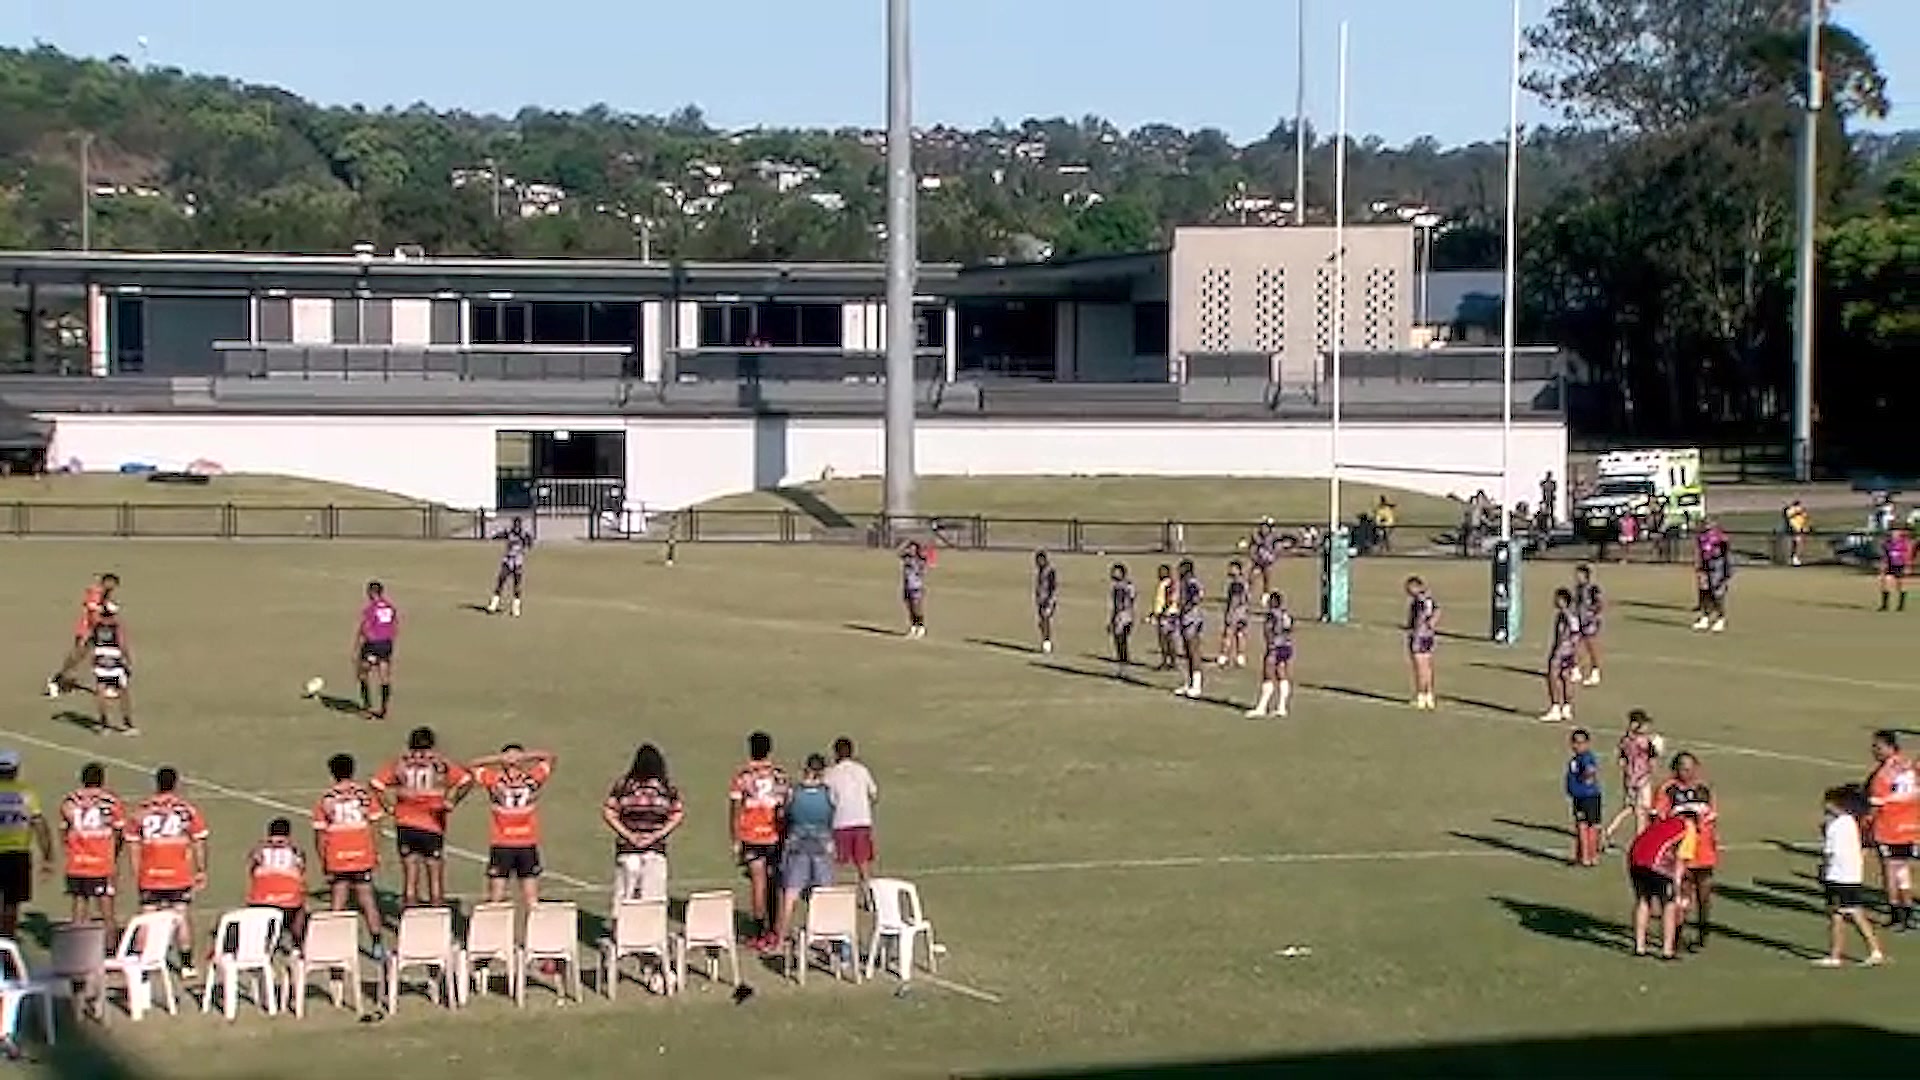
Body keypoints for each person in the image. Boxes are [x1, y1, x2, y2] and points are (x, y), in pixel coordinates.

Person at [370, 727, 471, 909]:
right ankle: (437, 912)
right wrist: (452, 801)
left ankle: (410, 914)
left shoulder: (401, 763)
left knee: (410, 875)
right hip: (432, 824)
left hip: (405, 823)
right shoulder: (439, 763)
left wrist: (388, 806)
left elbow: (376, 783)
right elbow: (466, 780)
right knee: (434, 874)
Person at [126, 767, 208, 978]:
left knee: (147, 916)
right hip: (178, 875)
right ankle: (187, 964)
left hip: (150, 874)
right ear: (176, 784)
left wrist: (137, 873)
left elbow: (133, 846)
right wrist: (201, 870)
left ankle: (142, 963)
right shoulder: (186, 810)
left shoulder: (141, 810)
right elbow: (198, 841)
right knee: (181, 916)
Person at [312, 753, 384, 954]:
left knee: (338, 900)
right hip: (361, 853)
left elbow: (319, 834)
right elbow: (376, 824)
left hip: (337, 854)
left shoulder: (326, 798)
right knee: (367, 899)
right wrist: (375, 851)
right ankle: (377, 943)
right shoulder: (364, 795)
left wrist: (323, 859)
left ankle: (334, 943)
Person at [469, 744, 555, 910]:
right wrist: (499, 758)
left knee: (532, 900)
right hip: (502, 842)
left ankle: (534, 925)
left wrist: (524, 756)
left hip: (527, 842)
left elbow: (550, 758)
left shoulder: (532, 778)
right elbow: (471, 765)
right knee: (496, 898)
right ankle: (495, 926)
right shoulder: (494, 779)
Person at [729, 731, 790, 952]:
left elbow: (735, 809)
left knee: (758, 883)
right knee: (775, 883)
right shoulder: (779, 776)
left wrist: (735, 838)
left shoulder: (743, 776)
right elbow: (785, 806)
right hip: (774, 834)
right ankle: (775, 929)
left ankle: (758, 932)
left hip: (751, 836)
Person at [604, 743, 684, 904]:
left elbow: (610, 811)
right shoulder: (666, 788)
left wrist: (628, 835)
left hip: (628, 847)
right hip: (654, 848)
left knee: (625, 894)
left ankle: (621, 919)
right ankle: (651, 920)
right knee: (653, 897)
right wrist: (656, 836)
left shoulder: (624, 786)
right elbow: (677, 814)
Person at [773, 754, 837, 953]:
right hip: (821, 845)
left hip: (797, 844)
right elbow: (832, 815)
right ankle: (823, 938)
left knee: (790, 895)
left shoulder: (794, 792)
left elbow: (783, 814)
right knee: (823, 894)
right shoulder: (828, 792)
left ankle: (780, 939)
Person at [1655, 753, 1719, 950]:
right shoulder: (1668, 789)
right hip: (1680, 853)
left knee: (1704, 895)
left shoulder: (1704, 789)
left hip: (1704, 851)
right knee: (1681, 896)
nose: (1688, 772)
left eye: (1691, 768)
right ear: (1675, 769)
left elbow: (1712, 815)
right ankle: (1677, 935)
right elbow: (1660, 818)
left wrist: (1707, 830)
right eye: (1683, 768)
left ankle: (1703, 933)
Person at [1818, 784, 1886, 967]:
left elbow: (1829, 853)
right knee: (1847, 913)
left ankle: (1840, 955)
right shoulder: (1850, 821)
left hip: (1837, 876)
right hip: (1852, 874)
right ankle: (1861, 952)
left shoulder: (1834, 825)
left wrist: (1823, 870)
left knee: (1842, 914)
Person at [59, 763, 124, 937]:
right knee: (106, 909)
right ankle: (110, 947)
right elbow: (119, 832)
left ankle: (76, 945)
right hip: (102, 863)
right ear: (102, 780)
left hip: (77, 862)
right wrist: (114, 855)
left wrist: (69, 850)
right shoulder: (110, 802)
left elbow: (64, 831)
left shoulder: (70, 801)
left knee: (79, 904)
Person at [1627, 807, 1699, 960]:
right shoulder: (1688, 828)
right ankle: (1667, 950)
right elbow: (1681, 860)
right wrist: (1677, 888)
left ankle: (1639, 946)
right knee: (1669, 904)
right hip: (1656, 863)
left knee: (1643, 900)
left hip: (1635, 859)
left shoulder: (1664, 822)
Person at [1865, 729, 1919, 930]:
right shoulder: (1909, 765)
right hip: (1911, 826)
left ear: (1889, 747)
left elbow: (1875, 805)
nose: (1874, 751)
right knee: (1903, 870)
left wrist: (1866, 827)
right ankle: (1909, 911)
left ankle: (1896, 913)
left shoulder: (1883, 774)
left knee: (1889, 870)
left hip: (1889, 827)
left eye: (1877, 747)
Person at [0, 752, 52, 940]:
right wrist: (47, 854)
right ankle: (7, 940)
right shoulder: (26, 794)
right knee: (12, 902)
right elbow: (39, 824)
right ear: (16, 770)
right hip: (17, 853)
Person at [48, 573, 116, 699]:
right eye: (110, 584)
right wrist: (105, 610)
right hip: (87, 630)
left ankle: (105, 686)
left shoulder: (105, 594)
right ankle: (56, 680)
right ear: (104, 582)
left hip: (97, 630)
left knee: (101, 657)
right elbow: (91, 609)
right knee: (77, 656)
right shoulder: (95, 592)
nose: (112, 587)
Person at [1602, 711, 1663, 849]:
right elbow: (1652, 758)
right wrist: (1656, 748)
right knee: (1641, 811)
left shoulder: (1626, 740)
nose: (1647, 727)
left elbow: (1621, 758)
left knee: (1631, 808)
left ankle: (1609, 830)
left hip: (1630, 778)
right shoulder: (1644, 742)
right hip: (1642, 779)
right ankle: (1640, 841)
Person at [824, 737, 879, 890]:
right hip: (862, 821)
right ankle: (867, 893)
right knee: (862, 862)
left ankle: (834, 892)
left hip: (841, 822)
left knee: (837, 862)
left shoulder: (831, 774)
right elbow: (874, 794)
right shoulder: (862, 770)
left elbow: (830, 800)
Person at [246, 818, 308, 950]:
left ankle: (261, 941)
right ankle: (299, 944)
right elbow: (301, 871)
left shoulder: (260, 851)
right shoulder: (295, 851)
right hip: (289, 900)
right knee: (300, 907)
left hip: (261, 899)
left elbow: (251, 870)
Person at [87, 602, 138, 736]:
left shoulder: (96, 627)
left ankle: (104, 724)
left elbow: (89, 643)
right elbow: (122, 645)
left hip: (100, 663)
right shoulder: (117, 628)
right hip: (115, 664)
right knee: (123, 693)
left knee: (101, 692)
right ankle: (128, 724)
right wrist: (128, 661)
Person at [353, 581, 400, 718]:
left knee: (362, 673)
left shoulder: (370, 609)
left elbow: (365, 628)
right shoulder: (390, 607)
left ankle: (367, 707)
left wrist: (359, 645)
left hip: (373, 644)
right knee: (384, 676)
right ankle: (383, 708)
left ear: (371, 593)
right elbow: (395, 626)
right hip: (386, 643)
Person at [1246, 591, 1295, 719]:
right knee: (1281, 674)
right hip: (1286, 646)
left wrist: (1270, 646)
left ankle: (1262, 707)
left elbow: (1269, 631)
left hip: (1275, 647)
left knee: (1268, 675)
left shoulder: (1271, 615)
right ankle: (1282, 707)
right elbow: (1290, 628)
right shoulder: (1285, 614)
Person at [1541, 588, 1581, 724]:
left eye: (1557, 598)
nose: (1554, 601)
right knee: (1565, 677)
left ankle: (1555, 707)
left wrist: (1568, 649)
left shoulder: (1567, 616)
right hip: (1567, 651)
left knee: (1553, 676)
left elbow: (1575, 634)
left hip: (1562, 651)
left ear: (1563, 600)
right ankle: (1566, 708)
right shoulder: (1567, 615)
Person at [1565, 729, 1603, 867]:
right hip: (1580, 796)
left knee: (1588, 826)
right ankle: (1586, 856)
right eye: (1575, 742)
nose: (1577, 746)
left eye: (1581, 743)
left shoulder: (1585, 757)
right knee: (1583, 826)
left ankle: (1588, 856)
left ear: (1587, 744)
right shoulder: (1575, 759)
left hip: (1588, 796)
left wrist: (1585, 777)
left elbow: (1590, 770)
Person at [1404, 576, 1440, 710]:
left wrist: (1417, 627)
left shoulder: (1419, 600)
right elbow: (1437, 610)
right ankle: (1429, 695)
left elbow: (1416, 618)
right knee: (1427, 666)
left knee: (1420, 667)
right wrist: (1432, 623)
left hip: (1419, 636)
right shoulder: (1429, 598)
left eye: (1409, 588)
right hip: (1429, 635)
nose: (1407, 590)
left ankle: (1421, 696)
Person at [487, 516, 534, 617]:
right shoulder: (509, 533)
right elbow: (500, 535)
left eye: (518, 525)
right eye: (514, 525)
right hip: (508, 560)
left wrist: (527, 546)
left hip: (517, 562)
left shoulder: (523, 535)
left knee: (517, 585)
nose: (516, 527)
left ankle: (516, 607)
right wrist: (493, 536)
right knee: (501, 581)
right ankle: (494, 604)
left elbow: (530, 542)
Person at [1172, 560, 1206, 699]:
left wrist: (1184, 607)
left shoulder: (1192, 583)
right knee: (1187, 651)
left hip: (1192, 618)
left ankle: (1197, 685)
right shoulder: (1184, 583)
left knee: (1193, 651)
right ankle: (1189, 682)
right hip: (1185, 618)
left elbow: (1196, 598)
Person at [1691, 527, 1732, 632]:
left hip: (1717, 564)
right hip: (1705, 564)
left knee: (1717, 593)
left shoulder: (1719, 536)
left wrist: (1727, 569)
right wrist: (1699, 566)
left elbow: (1726, 551)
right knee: (1705, 591)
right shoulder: (1701, 537)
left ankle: (1720, 618)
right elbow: (1700, 552)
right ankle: (1705, 617)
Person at [1571, 564, 1604, 687]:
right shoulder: (1578, 588)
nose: (1577, 577)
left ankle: (1595, 672)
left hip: (1590, 622)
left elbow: (1599, 604)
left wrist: (1592, 614)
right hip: (1579, 620)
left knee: (1591, 647)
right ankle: (1576, 670)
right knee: (1575, 645)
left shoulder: (1593, 589)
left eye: (1579, 574)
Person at [1214, 560, 1251, 669]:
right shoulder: (1244, 583)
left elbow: (1235, 600)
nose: (1230, 571)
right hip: (1243, 612)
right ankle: (1240, 657)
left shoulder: (1237, 584)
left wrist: (1229, 614)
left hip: (1235, 613)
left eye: (1233, 568)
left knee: (1228, 634)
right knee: (1240, 635)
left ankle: (1224, 656)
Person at [1108, 563, 1137, 670]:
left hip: (1125, 614)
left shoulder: (1127, 586)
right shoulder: (1116, 586)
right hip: (1119, 614)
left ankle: (1124, 658)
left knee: (1122, 638)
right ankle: (1121, 658)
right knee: (1118, 638)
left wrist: (1129, 615)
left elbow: (1130, 601)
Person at [900, 541, 928, 639]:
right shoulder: (907, 559)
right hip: (907, 586)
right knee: (910, 608)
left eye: (913, 549)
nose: (911, 550)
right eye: (910, 548)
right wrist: (906, 544)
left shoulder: (919, 560)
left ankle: (921, 626)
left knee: (917, 609)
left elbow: (923, 571)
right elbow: (899, 553)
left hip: (916, 587)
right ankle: (913, 627)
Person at [1151, 565, 1178, 671]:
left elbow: (1168, 599)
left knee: (1165, 639)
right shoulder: (1165, 584)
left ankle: (1167, 661)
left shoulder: (1167, 584)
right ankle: (1170, 661)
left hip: (1167, 615)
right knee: (1168, 639)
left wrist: (1162, 611)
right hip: (1167, 614)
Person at [1879, 527, 1911, 612]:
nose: (1894, 534)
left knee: (1900, 585)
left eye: (1896, 532)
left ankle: (1901, 605)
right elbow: (1885, 555)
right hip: (1890, 566)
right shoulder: (1887, 543)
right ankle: (1885, 605)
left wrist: (1907, 566)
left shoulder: (1903, 543)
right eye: (1892, 532)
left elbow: (1907, 555)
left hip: (1900, 565)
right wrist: (1883, 564)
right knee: (1885, 583)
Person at [1033, 551, 1059, 655]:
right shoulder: (1040, 571)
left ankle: (1047, 642)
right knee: (1041, 622)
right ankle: (1045, 640)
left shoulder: (1050, 571)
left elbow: (1053, 586)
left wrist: (1049, 600)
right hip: (1041, 599)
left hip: (1048, 600)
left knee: (1045, 620)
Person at [1249, 519, 1280, 599]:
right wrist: (1253, 556)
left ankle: (1265, 595)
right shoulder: (1256, 536)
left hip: (1267, 561)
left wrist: (1273, 556)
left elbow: (1277, 548)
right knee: (1252, 577)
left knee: (1266, 579)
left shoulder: (1273, 536)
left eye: (1266, 527)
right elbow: (1252, 547)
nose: (1263, 529)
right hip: (1258, 561)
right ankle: (1248, 594)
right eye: (1262, 527)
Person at [1784, 500, 1811, 567]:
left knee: (1801, 544)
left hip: (1802, 529)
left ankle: (1797, 558)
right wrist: (1797, 511)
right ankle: (1795, 558)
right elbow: (1789, 515)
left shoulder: (1802, 511)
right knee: (1797, 544)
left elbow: (1805, 518)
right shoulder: (1790, 510)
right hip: (1795, 529)